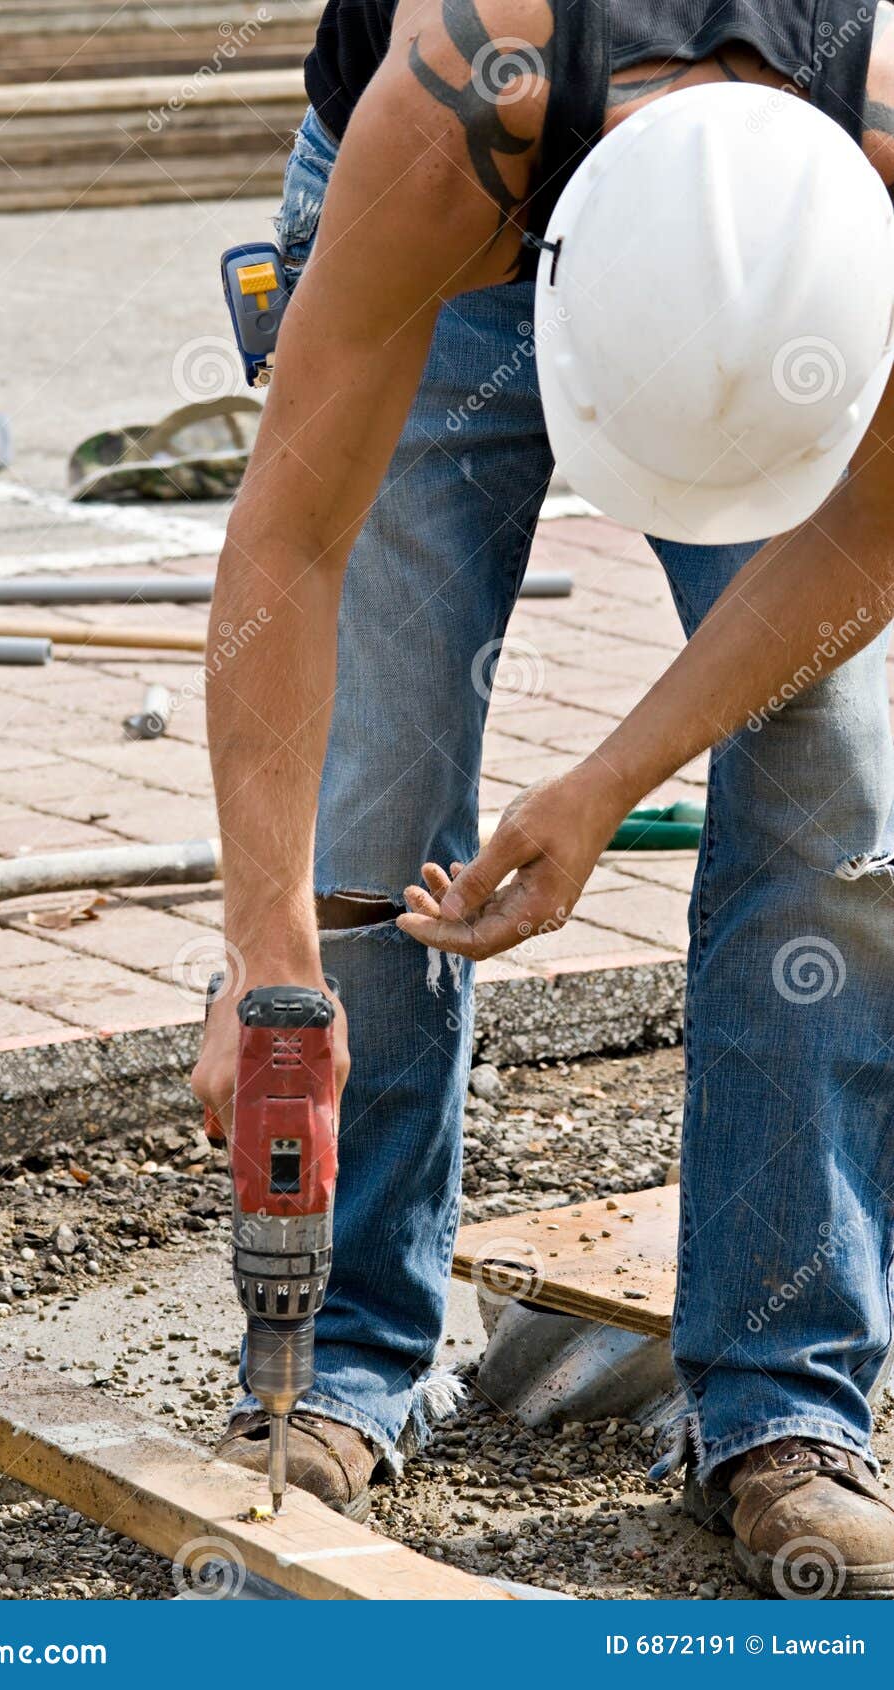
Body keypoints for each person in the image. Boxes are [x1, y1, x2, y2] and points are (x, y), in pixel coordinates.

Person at [193, 0, 894, 1597]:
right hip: (439, 261)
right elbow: (289, 550)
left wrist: (602, 783)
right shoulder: (456, 105)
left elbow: (868, 530)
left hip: (782, 322)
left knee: (836, 789)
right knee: (372, 797)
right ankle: (340, 1363)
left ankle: (785, 1404)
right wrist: (259, 947)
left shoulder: (881, 147)